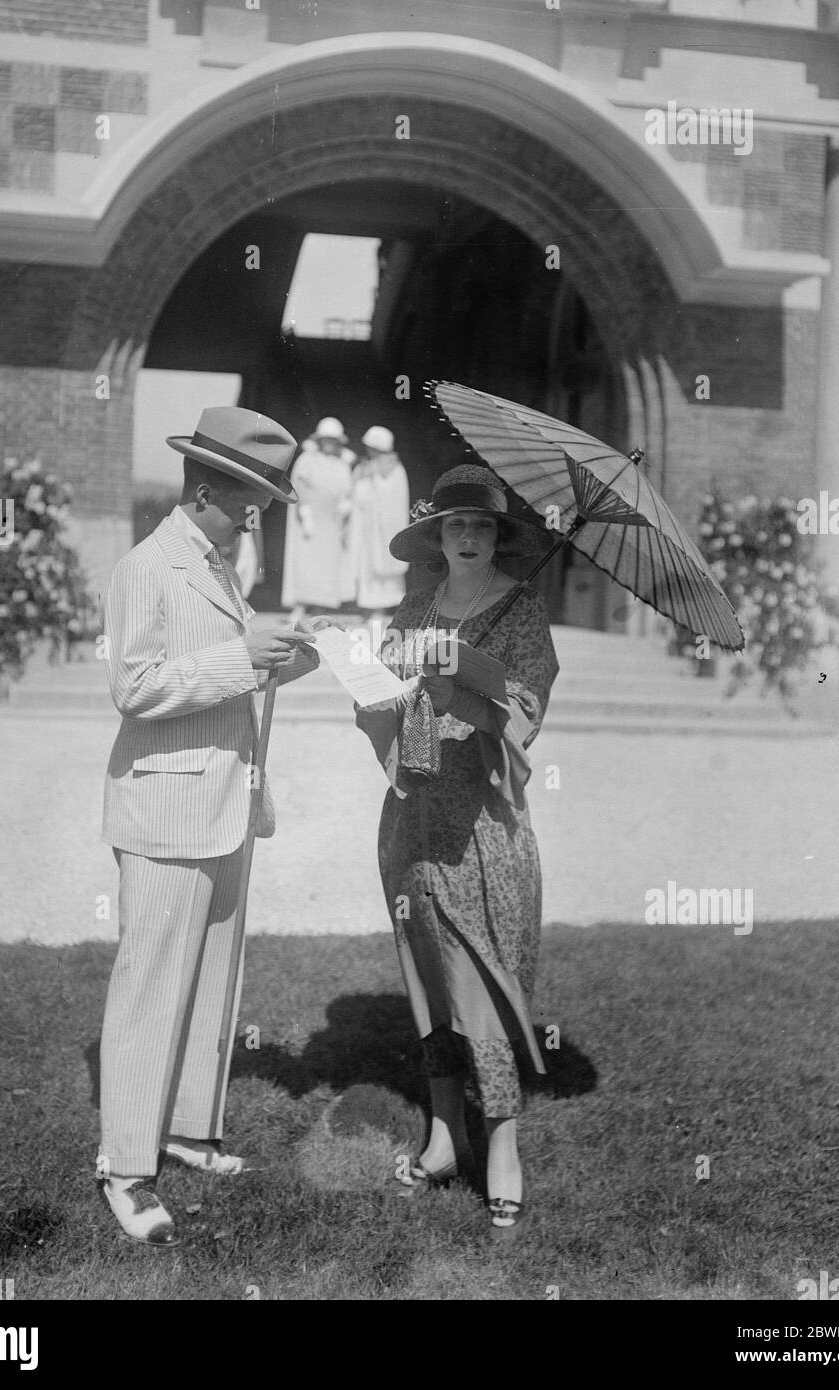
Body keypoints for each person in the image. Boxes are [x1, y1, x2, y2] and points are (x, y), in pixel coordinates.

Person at [97, 405, 327, 1247]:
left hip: (225, 800)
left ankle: (186, 1127)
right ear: (202, 489)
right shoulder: (145, 568)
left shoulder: (220, 564)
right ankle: (126, 1167)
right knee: (152, 984)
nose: (253, 517)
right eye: (247, 501)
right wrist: (243, 658)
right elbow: (136, 688)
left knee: (209, 981)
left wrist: (288, 662)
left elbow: (228, 671)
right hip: (164, 806)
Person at [356, 464, 558, 1237]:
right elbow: (388, 702)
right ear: (436, 536)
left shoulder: (522, 610)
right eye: (454, 525)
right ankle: (446, 1134)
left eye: (481, 525)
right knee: (429, 976)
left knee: (486, 974)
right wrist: (387, 688)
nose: (467, 536)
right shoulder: (413, 605)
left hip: (483, 819)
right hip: (412, 810)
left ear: (499, 535)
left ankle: (502, 1144)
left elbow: (527, 712)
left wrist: (466, 695)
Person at [280, 416, 355, 623]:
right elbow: (300, 485)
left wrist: (345, 505)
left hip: (331, 522)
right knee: (306, 563)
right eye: (326, 439)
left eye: (334, 440)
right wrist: (304, 513)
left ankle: (319, 609)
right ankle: (300, 607)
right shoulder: (308, 459)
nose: (329, 444)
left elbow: (347, 490)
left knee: (327, 564)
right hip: (311, 520)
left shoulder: (342, 463)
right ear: (320, 440)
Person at [347, 425, 410, 633]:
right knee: (365, 567)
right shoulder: (365, 466)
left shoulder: (395, 470)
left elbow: (392, 500)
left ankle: (380, 610)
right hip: (365, 528)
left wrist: (375, 484)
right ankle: (367, 609)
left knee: (383, 568)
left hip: (383, 529)